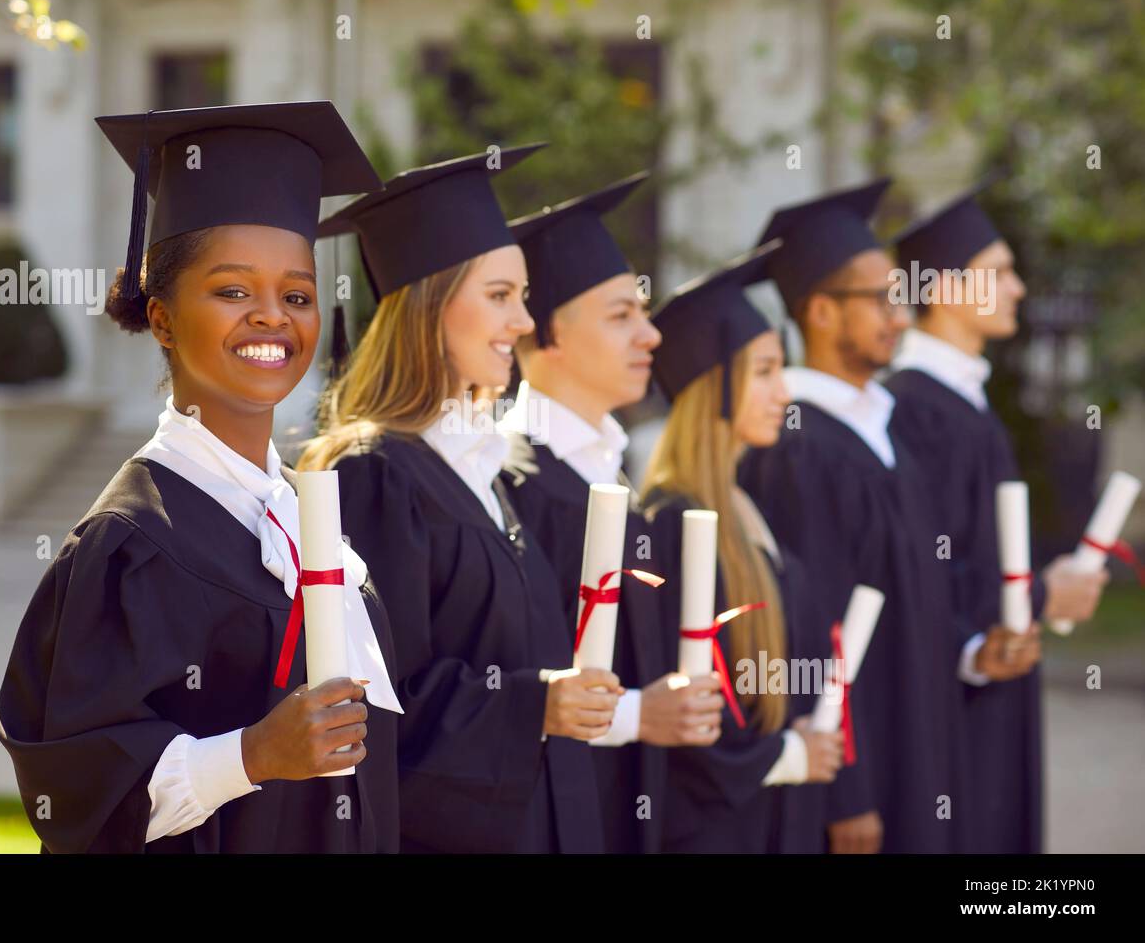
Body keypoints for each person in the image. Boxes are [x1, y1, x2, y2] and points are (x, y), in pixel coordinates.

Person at [0, 102, 403, 854]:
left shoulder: (298, 514)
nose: (273, 318)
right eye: (233, 290)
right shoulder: (131, 541)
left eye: (298, 295)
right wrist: (249, 756)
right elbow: (74, 800)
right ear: (162, 318)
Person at [301, 147, 616, 853]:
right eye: (501, 296)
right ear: (433, 304)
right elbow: (385, 701)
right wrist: (539, 702)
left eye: (524, 297)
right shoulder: (374, 476)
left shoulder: (486, 473)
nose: (525, 322)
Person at [498, 173, 725, 853]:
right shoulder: (510, 481)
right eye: (621, 315)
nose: (651, 337)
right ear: (547, 334)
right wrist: (635, 714)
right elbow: (509, 674)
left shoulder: (609, 468)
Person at [737, 179, 963, 853]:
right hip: (862, 770)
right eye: (881, 300)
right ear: (822, 312)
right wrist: (846, 791)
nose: (901, 316)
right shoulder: (798, 448)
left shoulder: (884, 433)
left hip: (919, 746)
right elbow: (812, 628)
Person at [885, 182, 1107, 852]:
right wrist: (1041, 593)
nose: (1016, 290)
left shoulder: (965, 402)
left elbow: (981, 551)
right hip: (956, 691)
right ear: (948, 288)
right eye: (1000, 273)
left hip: (995, 671)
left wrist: (1042, 579)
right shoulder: (915, 409)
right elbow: (926, 571)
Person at [641, 242, 844, 852]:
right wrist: (786, 755)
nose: (784, 391)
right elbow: (685, 709)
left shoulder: (747, 507)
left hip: (775, 815)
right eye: (763, 371)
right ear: (713, 386)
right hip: (713, 831)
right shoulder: (670, 522)